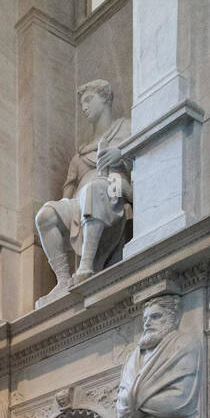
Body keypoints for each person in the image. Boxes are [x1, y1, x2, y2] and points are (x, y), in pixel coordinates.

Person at [34, 80, 131, 306]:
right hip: (82, 200)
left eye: (89, 100)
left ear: (105, 98)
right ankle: (63, 280)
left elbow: (143, 156)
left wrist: (121, 154)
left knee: (93, 189)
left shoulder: (125, 127)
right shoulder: (79, 155)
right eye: (81, 103)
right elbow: (67, 192)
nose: (84, 107)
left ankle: (86, 265)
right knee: (45, 214)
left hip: (113, 188)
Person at [117, 295, 202, 418]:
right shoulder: (133, 358)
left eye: (156, 316)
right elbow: (121, 410)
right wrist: (142, 398)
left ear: (174, 319)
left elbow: (181, 399)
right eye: (145, 319)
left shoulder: (184, 345)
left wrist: (133, 401)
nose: (148, 323)